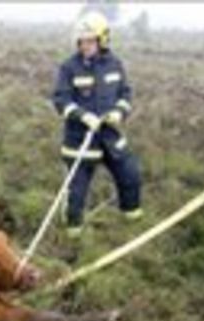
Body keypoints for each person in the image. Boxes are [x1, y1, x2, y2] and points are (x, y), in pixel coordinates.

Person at [51, 11, 142, 238]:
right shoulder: (69, 67)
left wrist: (119, 112)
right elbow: (61, 100)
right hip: (79, 140)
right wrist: (83, 116)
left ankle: (131, 222)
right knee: (77, 193)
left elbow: (125, 93)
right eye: (82, 41)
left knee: (130, 175)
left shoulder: (114, 64)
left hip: (110, 136)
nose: (85, 45)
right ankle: (72, 234)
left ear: (102, 40)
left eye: (90, 40)